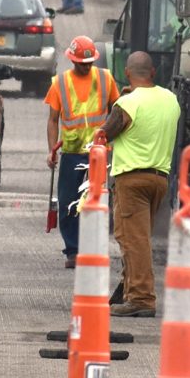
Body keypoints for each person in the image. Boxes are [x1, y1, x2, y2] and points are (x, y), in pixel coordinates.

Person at [97, 51, 182, 316]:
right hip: (159, 179)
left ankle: (142, 299)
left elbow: (106, 133)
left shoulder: (127, 104)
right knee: (139, 237)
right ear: (153, 73)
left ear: (127, 73)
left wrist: (124, 100)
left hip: (131, 179)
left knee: (133, 240)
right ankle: (129, 289)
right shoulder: (171, 100)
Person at [47, 36, 119, 268]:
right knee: (70, 202)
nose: (86, 67)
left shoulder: (105, 78)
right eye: (82, 63)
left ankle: (94, 248)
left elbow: (118, 111)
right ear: (72, 60)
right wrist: (52, 150)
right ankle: (73, 251)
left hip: (98, 152)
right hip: (72, 152)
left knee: (96, 202)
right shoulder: (60, 83)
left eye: (89, 63)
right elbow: (53, 120)